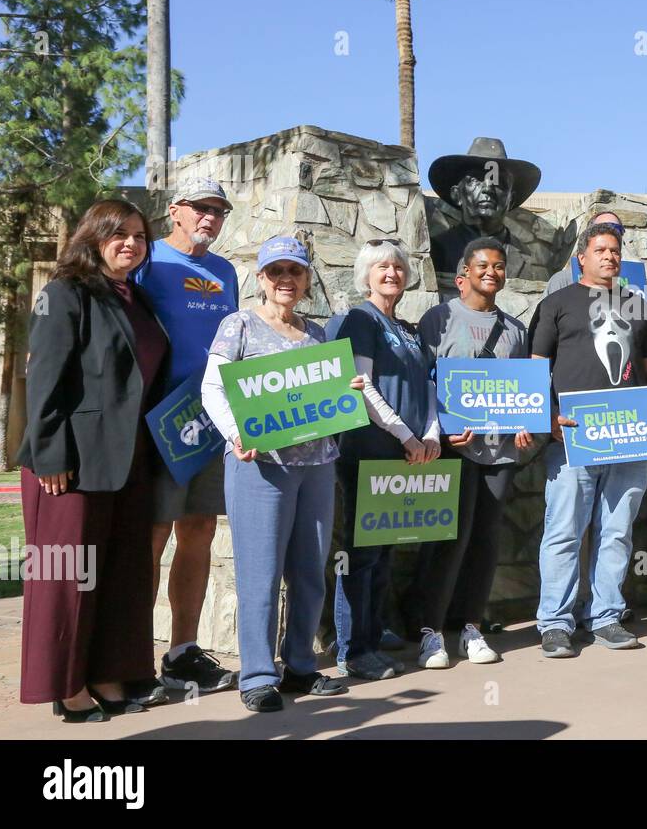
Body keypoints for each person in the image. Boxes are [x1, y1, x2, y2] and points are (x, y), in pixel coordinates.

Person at [17, 199, 170, 721]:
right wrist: (49, 454)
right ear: (93, 236)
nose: (130, 243)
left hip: (129, 458)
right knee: (68, 577)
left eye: (139, 236)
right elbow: (44, 379)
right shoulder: (66, 292)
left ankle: (109, 674)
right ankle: (67, 685)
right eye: (118, 234)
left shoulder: (139, 300)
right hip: (72, 461)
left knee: (124, 572)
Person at [201, 236, 356, 711]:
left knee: (310, 572)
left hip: (316, 467)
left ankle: (300, 668)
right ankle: (258, 676)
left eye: (295, 271)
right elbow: (212, 388)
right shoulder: (239, 324)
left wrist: (348, 387)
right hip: (261, 468)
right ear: (262, 279)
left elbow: (329, 393)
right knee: (260, 574)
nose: (285, 280)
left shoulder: (318, 334)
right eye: (276, 272)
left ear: (307, 280)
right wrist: (235, 434)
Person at [529, 221, 647, 657]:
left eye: (615, 250)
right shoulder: (556, 304)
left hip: (633, 437)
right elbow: (536, 365)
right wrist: (546, 417)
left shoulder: (639, 305)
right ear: (582, 258)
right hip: (574, 438)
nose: (610, 257)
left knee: (616, 531)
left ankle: (606, 616)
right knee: (565, 531)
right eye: (601, 250)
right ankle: (555, 622)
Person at [133, 177, 239, 700]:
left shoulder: (225, 271)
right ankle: (132, 656)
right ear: (175, 210)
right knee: (151, 537)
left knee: (197, 531)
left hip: (212, 417)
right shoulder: (146, 258)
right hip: (158, 419)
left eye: (219, 211)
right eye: (201, 208)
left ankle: (182, 653)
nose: (210, 218)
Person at [412, 237, 537, 666]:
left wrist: (526, 424)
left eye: (499, 266)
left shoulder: (516, 330)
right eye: (483, 264)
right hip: (452, 451)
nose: (492, 272)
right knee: (448, 539)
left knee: (485, 541)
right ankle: (429, 630)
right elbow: (424, 384)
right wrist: (440, 434)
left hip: (498, 454)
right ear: (464, 273)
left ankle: (471, 627)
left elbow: (524, 392)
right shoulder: (437, 320)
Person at [327, 238, 442, 680]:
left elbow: (430, 387)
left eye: (397, 266)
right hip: (371, 448)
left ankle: (373, 630)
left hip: (411, 452)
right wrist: (404, 434)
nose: (391, 273)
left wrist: (430, 435)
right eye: (381, 268)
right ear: (366, 276)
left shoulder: (411, 330)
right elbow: (361, 385)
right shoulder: (361, 319)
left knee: (386, 547)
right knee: (362, 551)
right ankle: (353, 648)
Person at [427, 137, 543, 279]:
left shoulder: (530, 259)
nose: (488, 188)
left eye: (498, 182)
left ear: (510, 200)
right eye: (476, 180)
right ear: (457, 195)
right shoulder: (436, 250)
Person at [545, 210, 632, 295]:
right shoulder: (562, 281)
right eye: (601, 229)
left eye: (617, 229)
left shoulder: (635, 283)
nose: (609, 234)